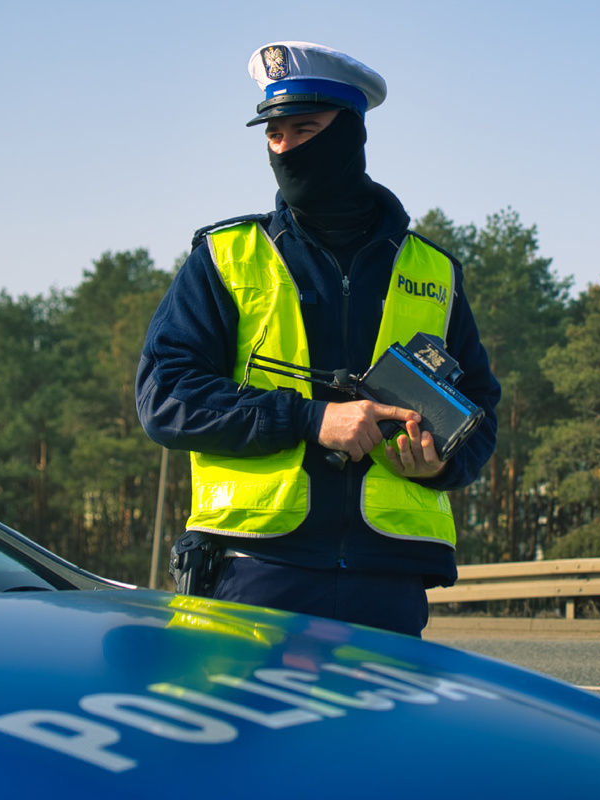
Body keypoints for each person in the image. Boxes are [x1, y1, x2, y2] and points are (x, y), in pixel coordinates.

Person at [136, 41, 499, 637]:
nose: (286, 148)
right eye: (274, 135)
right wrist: (311, 420)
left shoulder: (437, 271)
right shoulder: (225, 257)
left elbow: (480, 414)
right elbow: (165, 397)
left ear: (351, 134)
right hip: (252, 572)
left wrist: (440, 463)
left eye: (304, 129)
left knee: (375, 737)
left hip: (390, 578)